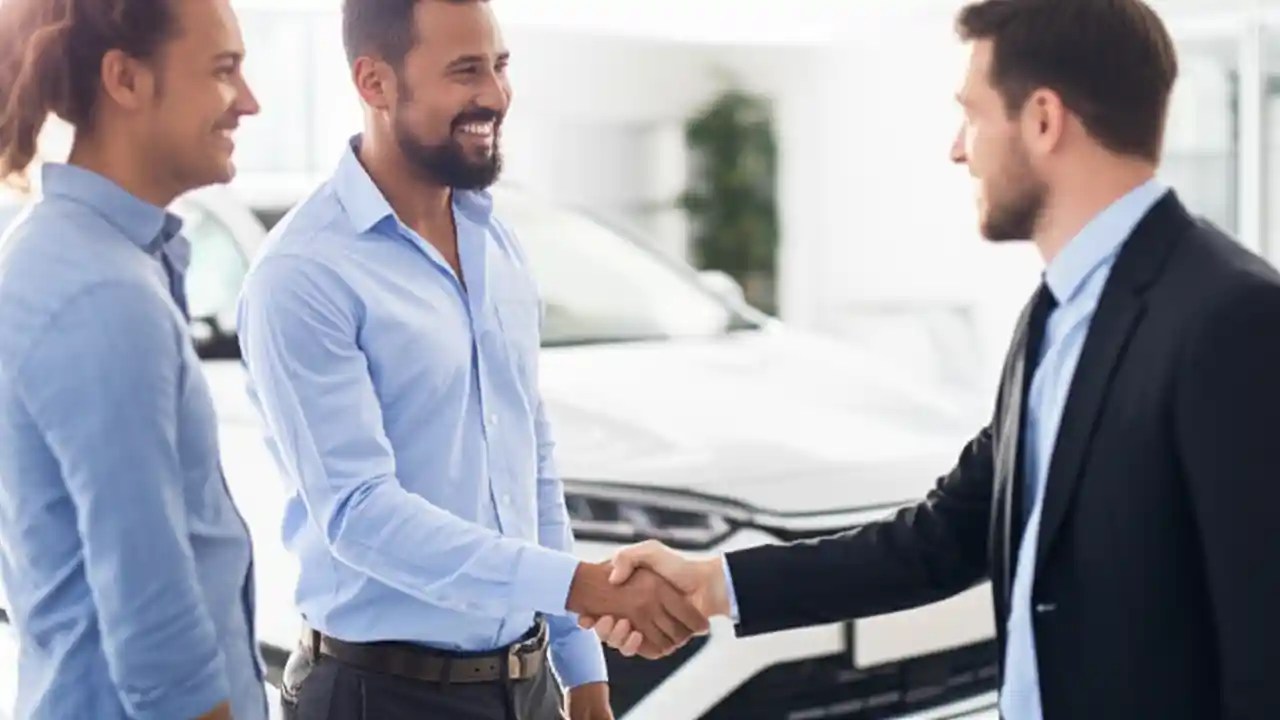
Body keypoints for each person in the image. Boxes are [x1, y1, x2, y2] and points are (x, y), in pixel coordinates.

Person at [582, 0, 1280, 718]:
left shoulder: (1235, 319)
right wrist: (709, 585)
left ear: (1043, 119)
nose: (958, 148)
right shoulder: (1054, 314)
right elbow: (941, 539)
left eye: (972, 115)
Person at [235, 1, 706, 718]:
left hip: (528, 681)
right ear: (375, 82)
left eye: (499, 64)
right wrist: (584, 585)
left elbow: (530, 465)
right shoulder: (304, 274)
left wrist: (583, 671)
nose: (494, 94)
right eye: (464, 71)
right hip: (379, 696)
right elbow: (361, 514)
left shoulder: (497, 243)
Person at [0, 1, 265, 719]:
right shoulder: (97, 291)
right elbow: (150, 606)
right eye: (223, 70)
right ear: (125, 79)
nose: (250, 102)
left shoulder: (87, 260)